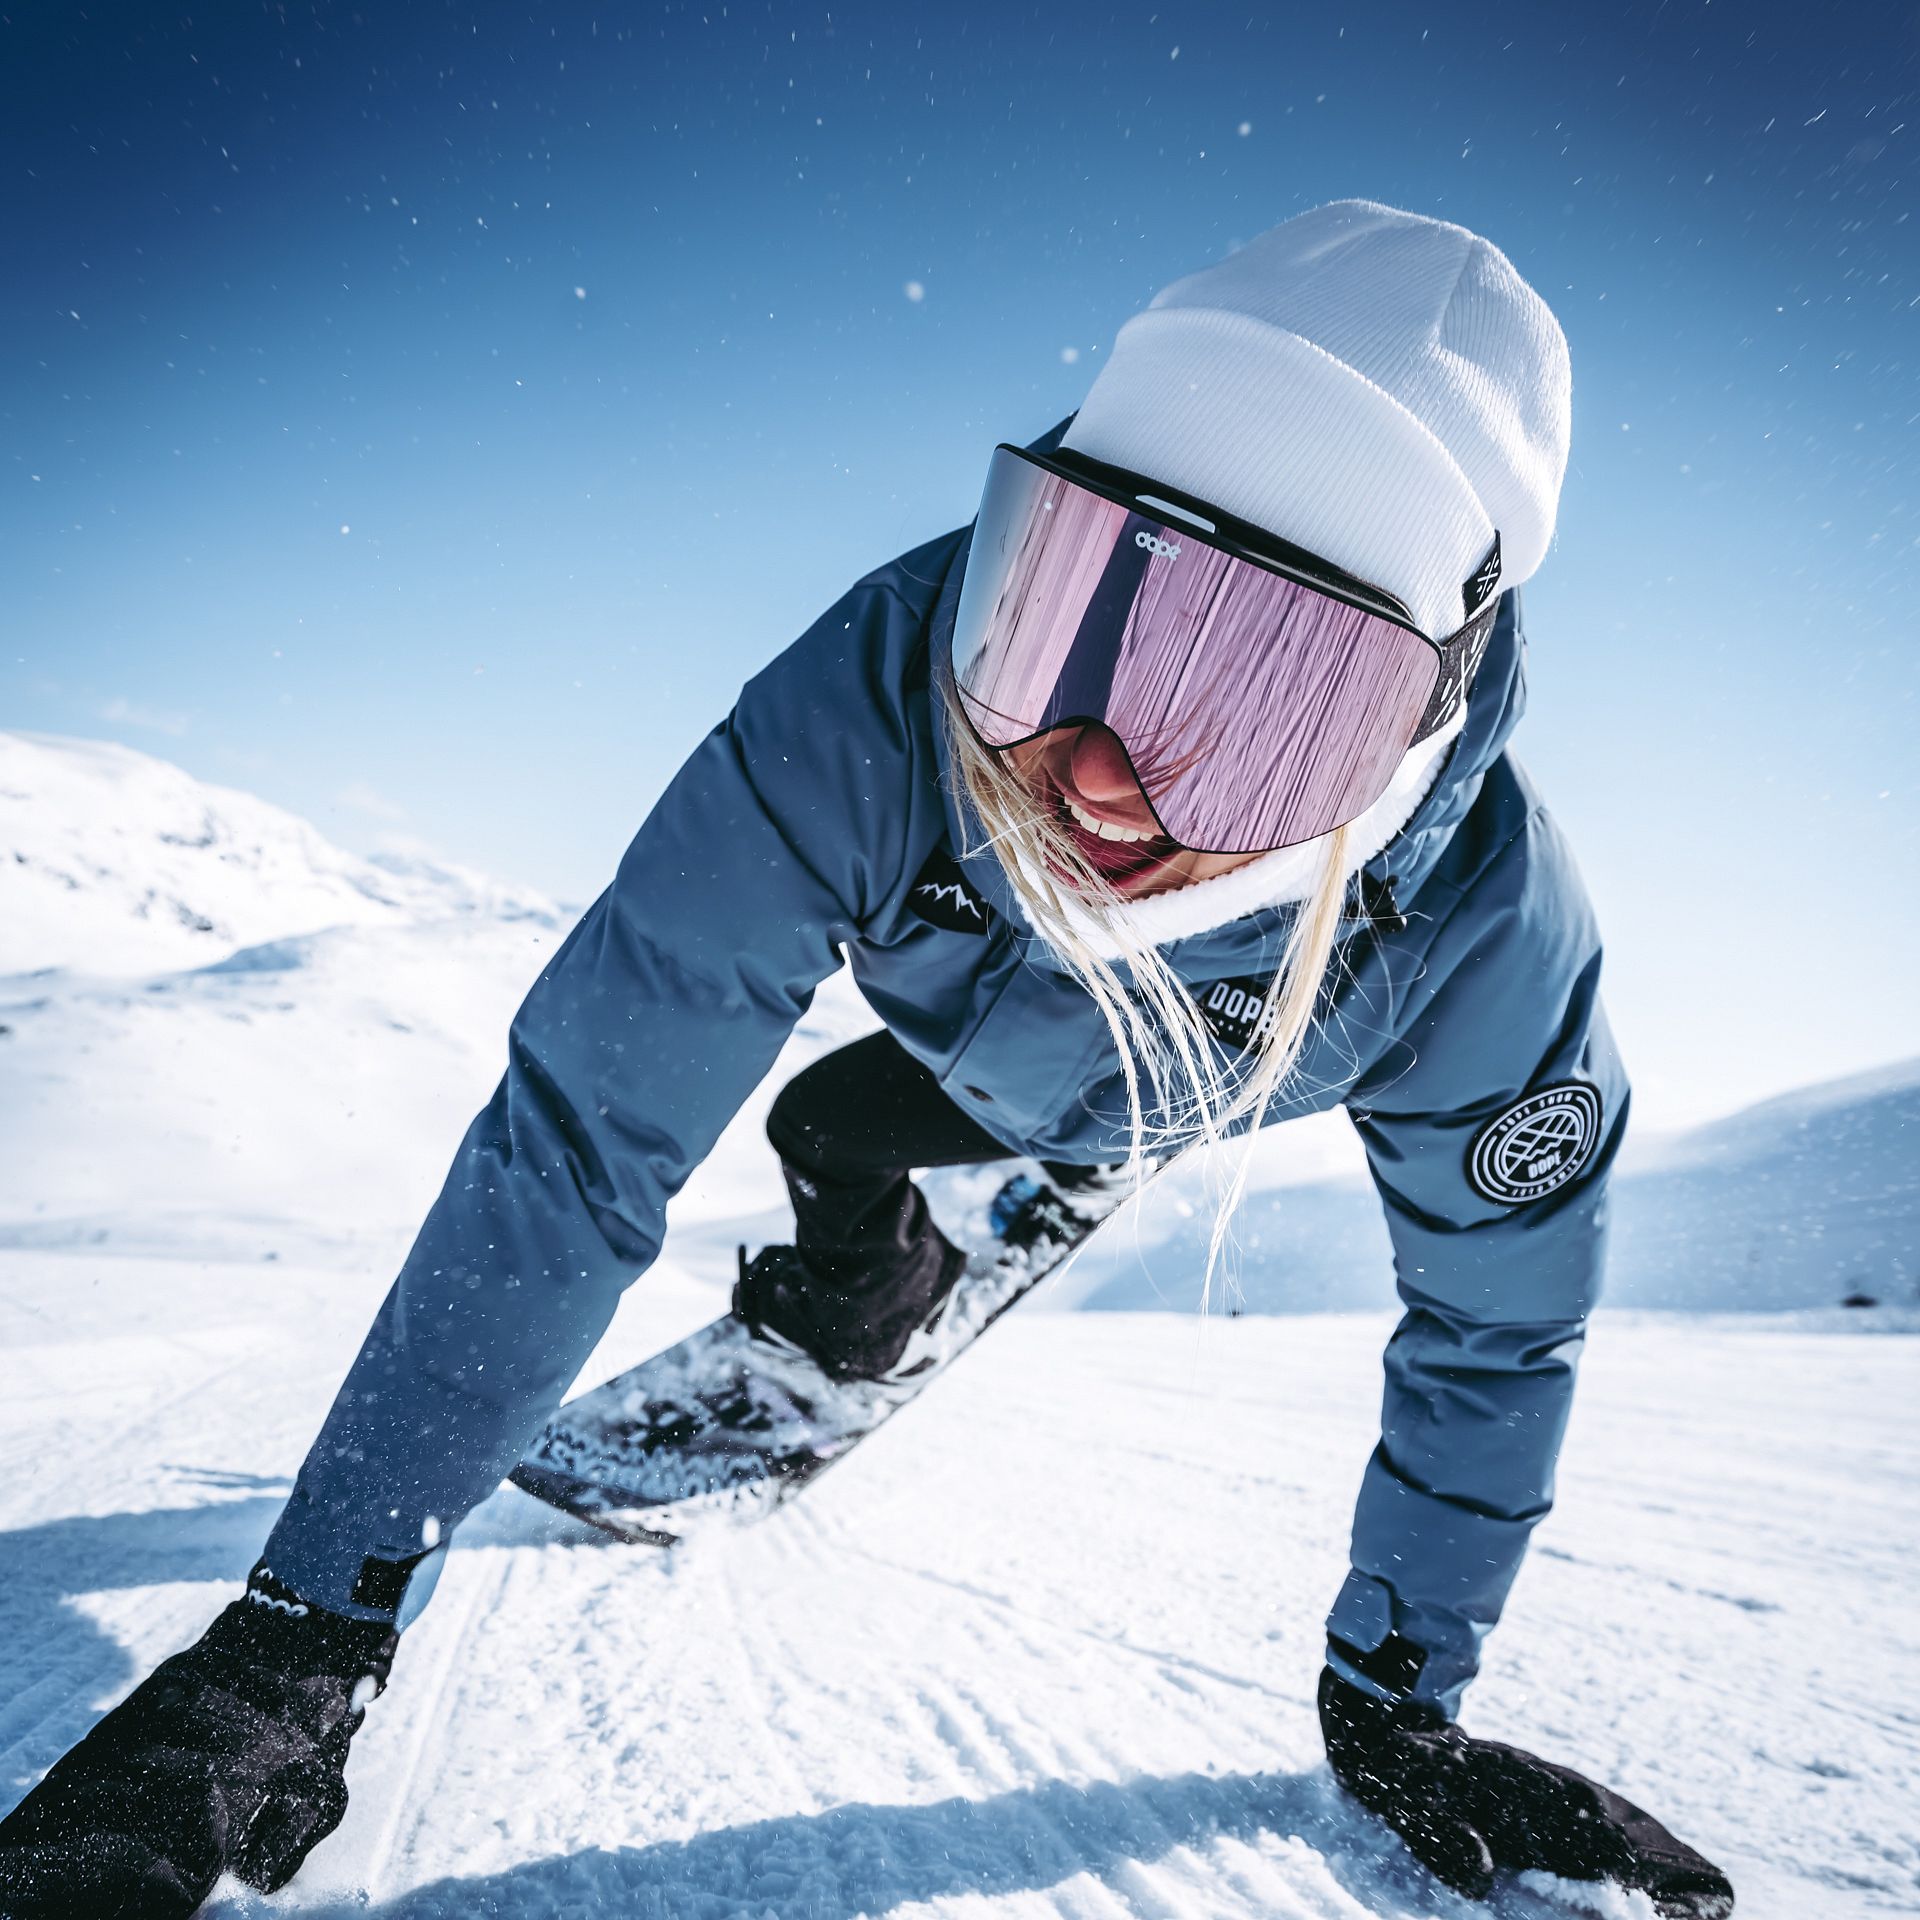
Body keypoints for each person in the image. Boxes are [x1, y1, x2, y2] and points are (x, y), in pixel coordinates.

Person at [0, 201, 1735, 1918]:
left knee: (854, 1115)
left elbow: (1500, 1328)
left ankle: (976, 1192)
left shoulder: (1486, 942)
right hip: (962, 1067)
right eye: (1068, 617)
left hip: (1182, 1075)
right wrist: (304, 1634)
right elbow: (582, 1136)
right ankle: (862, 1298)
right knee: (828, 1122)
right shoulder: (877, 690)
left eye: (1264, 706)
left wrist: (1398, 1699)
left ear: (1421, 716)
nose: (1096, 776)